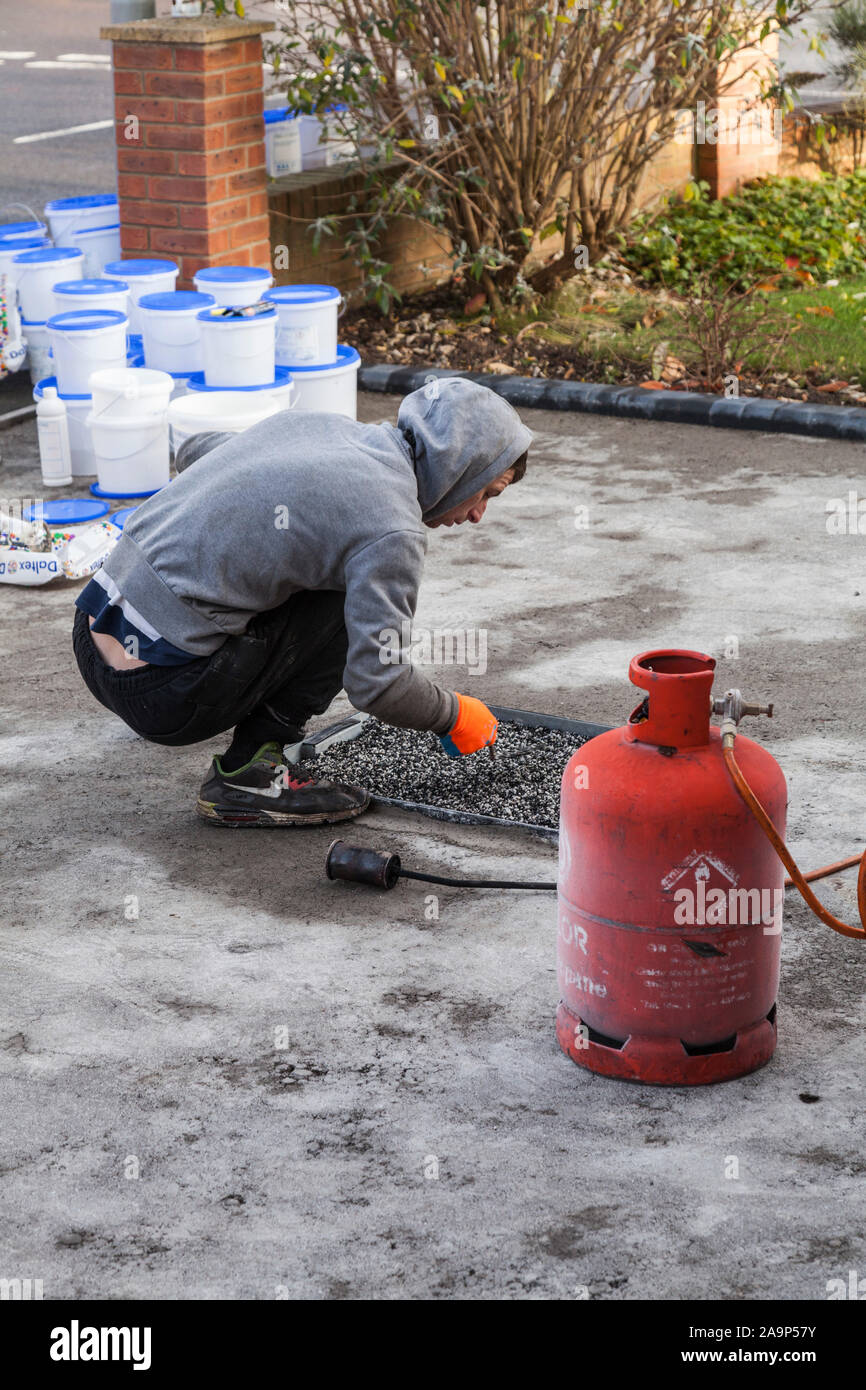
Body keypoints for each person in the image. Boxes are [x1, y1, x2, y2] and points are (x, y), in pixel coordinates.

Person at [72, 377, 532, 827]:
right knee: (344, 598)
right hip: (160, 695)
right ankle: (249, 776)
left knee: (313, 556)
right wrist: (452, 714)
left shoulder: (320, 427)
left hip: (91, 633)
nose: (477, 515)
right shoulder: (392, 527)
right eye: (487, 492)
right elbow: (378, 684)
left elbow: (196, 448)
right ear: (462, 466)